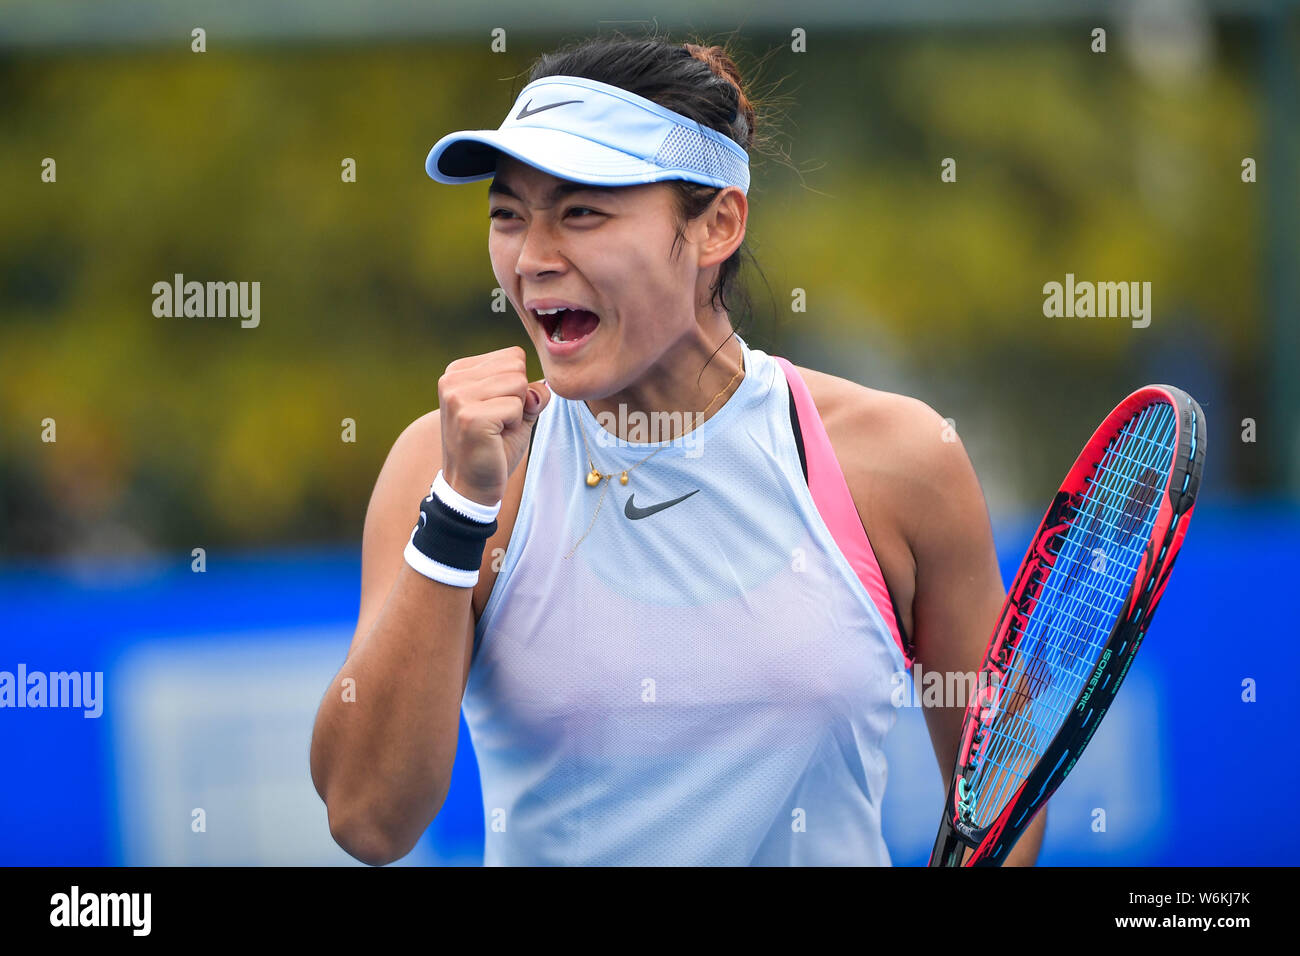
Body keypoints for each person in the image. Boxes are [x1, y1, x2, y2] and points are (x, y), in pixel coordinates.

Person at [310, 33, 1044, 866]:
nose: (534, 258)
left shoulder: (901, 460)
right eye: (508, 214)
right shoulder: (447, 469)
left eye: (582, 211)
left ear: (717, 224)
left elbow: (1002, 797)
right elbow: (367, 819)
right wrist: (457, 512)